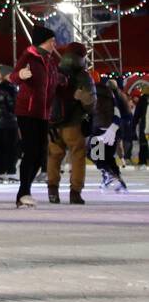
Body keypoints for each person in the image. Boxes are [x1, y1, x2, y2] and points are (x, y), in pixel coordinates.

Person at [8, 25, 60, 208]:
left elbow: (55, 82)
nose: (55, 44)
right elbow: (13, 77)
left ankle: (24, 191)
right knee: (31, 152)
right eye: (52, 41)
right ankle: (23, 193)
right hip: (28, 112)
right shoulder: (29, 57)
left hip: (44, 113)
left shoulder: (51, 62)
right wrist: (20, 75)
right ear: (43, 42)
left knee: (40, 156)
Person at [47, 42, 92, 204]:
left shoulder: (54, 72)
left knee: (53, 156)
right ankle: (75, 192)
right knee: (78, 156)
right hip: (74, 123)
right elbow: (90, 102)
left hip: (53, 123)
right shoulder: (83, 75)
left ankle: (52, 190)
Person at [89, 74, 132, 193]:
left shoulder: (97, 93)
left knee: (95, 155)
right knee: (107, 156)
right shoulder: (119, 95)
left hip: (100, 128)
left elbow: (92, 111)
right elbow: (128, 115)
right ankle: (117, 179)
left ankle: (109, 176)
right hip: (115, 130)